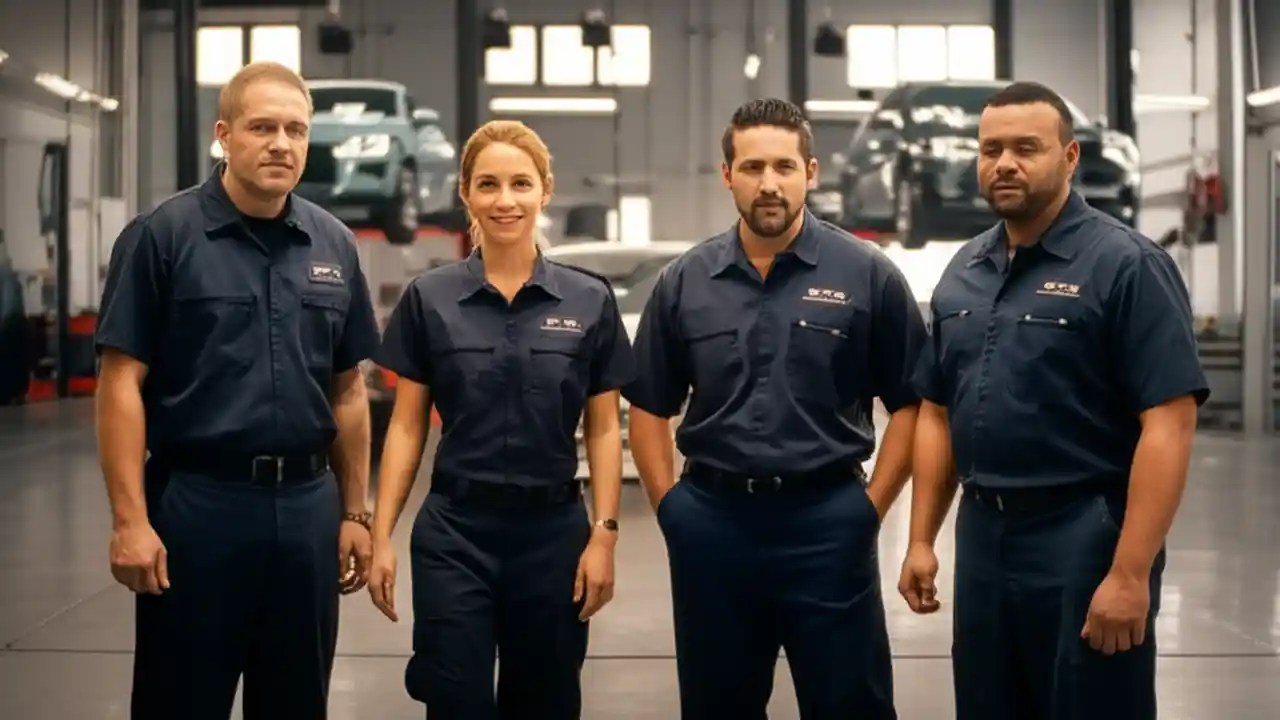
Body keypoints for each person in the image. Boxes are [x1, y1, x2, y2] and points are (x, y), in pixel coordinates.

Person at [898, 81, 1208, 720]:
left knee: (1092, 702)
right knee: (988, 701)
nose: (1004, 163)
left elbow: (1170, 425)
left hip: (1084, 530)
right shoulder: (962, 272)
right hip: (984, 534)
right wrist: (922, 538)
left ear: (1069, 157)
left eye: (1026, 148)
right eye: (990, 149)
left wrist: (1128, 573)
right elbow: (937, 409)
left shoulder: (1127, 266)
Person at [93, 61, 381, 719]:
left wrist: (354, 512)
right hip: (199, 507)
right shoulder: (163, 236)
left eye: (296, 130)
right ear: (224, 134)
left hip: (309, 509)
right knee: (181, 699)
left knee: (296, 701)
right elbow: (120, 386)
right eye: (263, 127)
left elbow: (347, 391)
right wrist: (131, 521)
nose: (282, 143)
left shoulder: (332, 242)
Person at [624, 97, 926, 719]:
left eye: (785, 167)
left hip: (828, 523)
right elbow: (650, 406)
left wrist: (870, 510)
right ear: (727, 174)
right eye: (754, 166)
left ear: (811, 173)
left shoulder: (868, 275)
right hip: (712, 523)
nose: (770, 183)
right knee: (717, 705)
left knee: (851, 704)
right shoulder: (684, 281)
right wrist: (670, 508)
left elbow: (912, 405)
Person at [366, 119, 634, 719]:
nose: (505, 200)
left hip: (554, 536)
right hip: (456, 534)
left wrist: (604, 535)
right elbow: (407, 426)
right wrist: (382, 534)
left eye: (520, 183)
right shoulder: (428, 298)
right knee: (453, 699)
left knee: (545, 704)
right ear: (466, 193)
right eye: (488, 184)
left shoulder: (588, 300)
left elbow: (601, 428)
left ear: (546, 190)